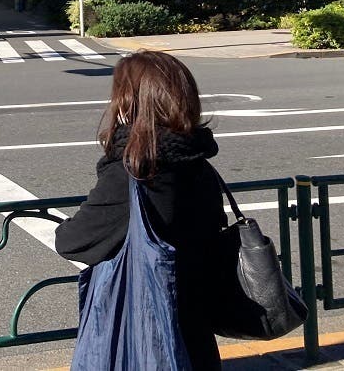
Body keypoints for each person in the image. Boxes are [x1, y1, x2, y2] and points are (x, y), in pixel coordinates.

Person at [53, 51, 226, 370]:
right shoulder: (200, 165)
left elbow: (72, 241)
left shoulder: (133, 175)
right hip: (196, 335)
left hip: (145, 336)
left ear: (128, 104)